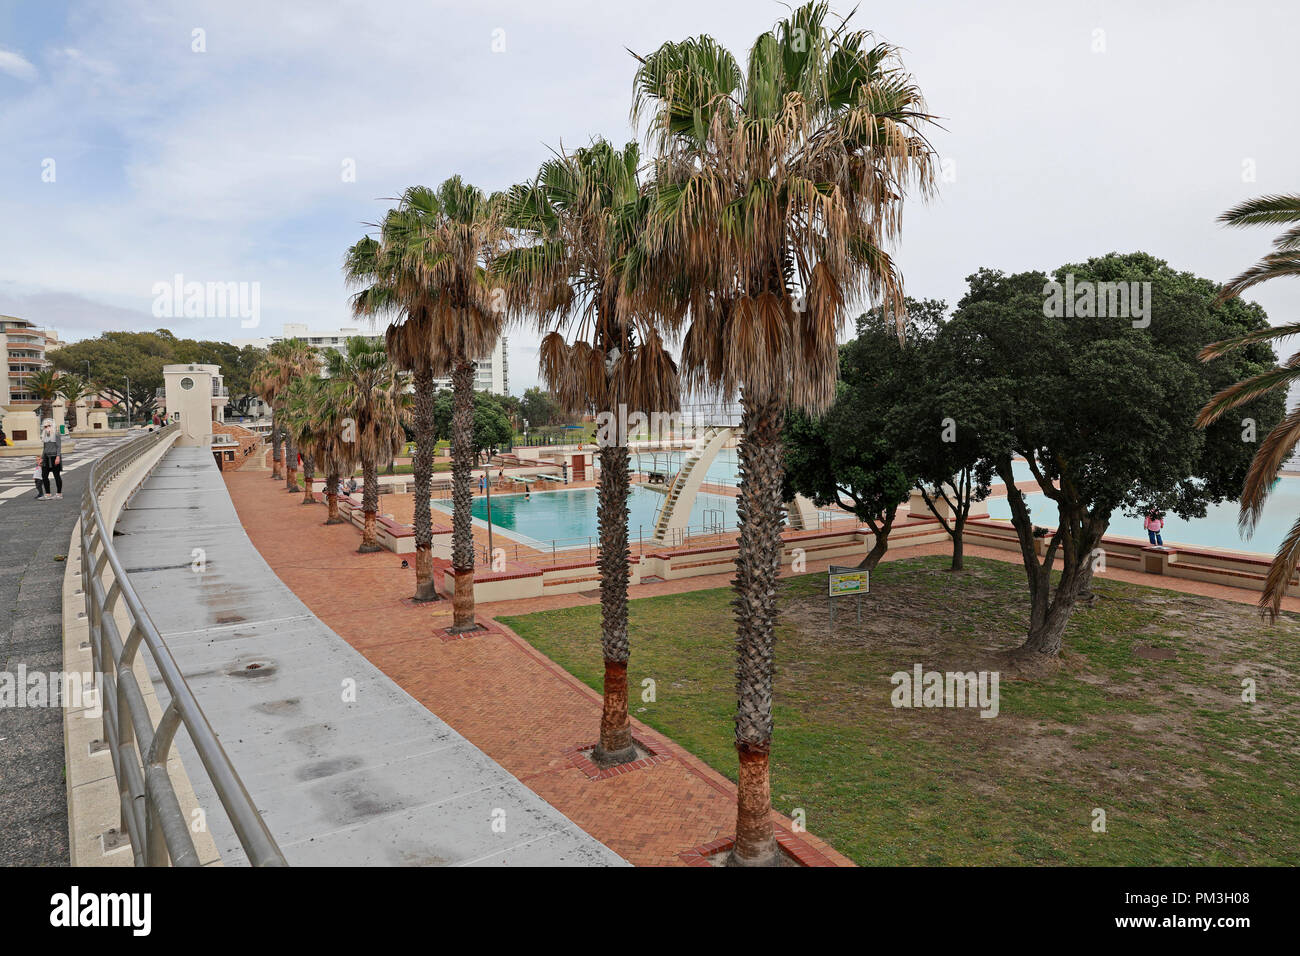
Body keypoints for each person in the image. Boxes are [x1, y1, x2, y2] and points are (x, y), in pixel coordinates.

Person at [39, 418, 63, 500]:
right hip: (46, 457)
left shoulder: (56, 435)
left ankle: (59, 494)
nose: (47, 427)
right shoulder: (44, 436)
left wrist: (58, 457)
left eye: (49, 426)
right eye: (45, 426)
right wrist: (42, 458)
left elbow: (59, 447)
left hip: (54, 457)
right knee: (44, 475)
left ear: (52, 426)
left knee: (56, 475)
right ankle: (48, 494)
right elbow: (44, 448)